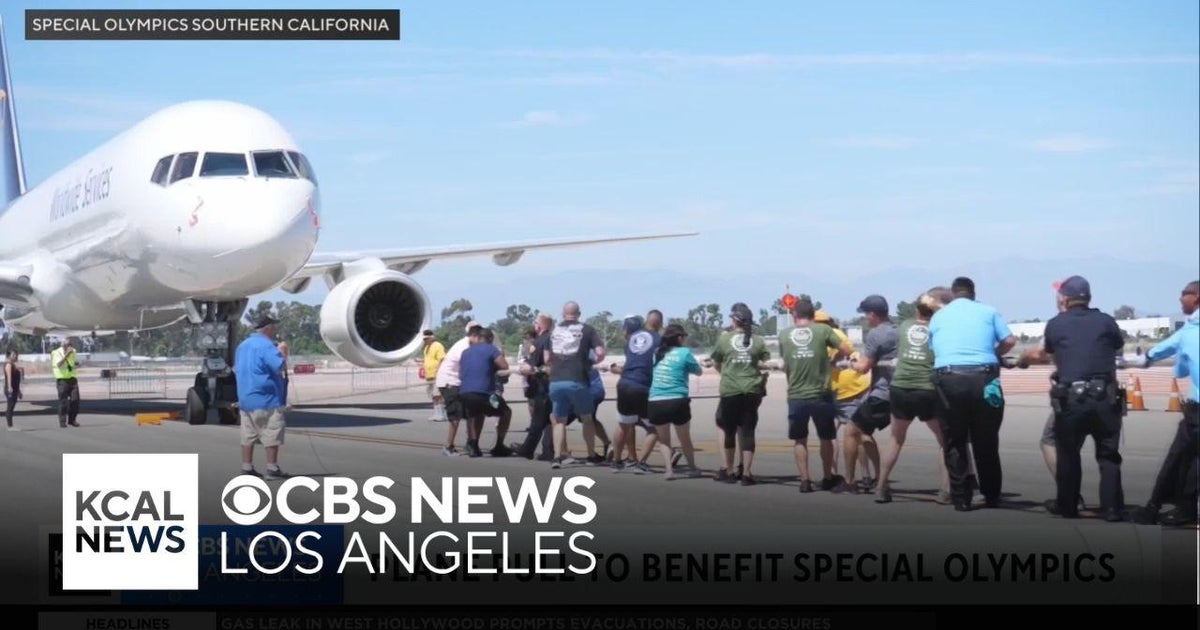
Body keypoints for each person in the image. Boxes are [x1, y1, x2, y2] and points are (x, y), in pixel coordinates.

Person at [1018, 276, 1125, 521]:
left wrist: (1024, 359)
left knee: (1068, 454)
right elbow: (1116, 347)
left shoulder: (1056, 324)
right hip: (1105, 399)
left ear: (1064, 299)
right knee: (1108, 456)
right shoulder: (1107, 321)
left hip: (1072, 400)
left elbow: (1046, 353)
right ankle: (1112, 508)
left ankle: (1068, 506)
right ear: (1088, 298)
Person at [928, 276, 1017, 511]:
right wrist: (995, 352)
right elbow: (1009, 340)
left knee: (955, 441)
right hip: (985, 379)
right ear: (973, 293)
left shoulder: (938, 316)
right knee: (986, 441)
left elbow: (933, 348)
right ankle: (991, 495)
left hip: (949, 380)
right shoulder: (988, 311)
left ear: (954, 294)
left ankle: (960, 498)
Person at [876, 288, 957, 503]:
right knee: (944, 441)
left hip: (901, 386)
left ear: (917, 309)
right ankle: (945, 490)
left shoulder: (904, 326)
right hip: (926, 388)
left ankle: (881, 485)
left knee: (895, 438)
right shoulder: (938, 328)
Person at [1131, 280, 1199, 526]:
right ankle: (1185, 507)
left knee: (1180, 457)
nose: (1180, 300)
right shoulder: (1190, 328)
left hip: (1197, 410)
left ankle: (1156, 506)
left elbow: (1178, 367)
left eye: (1185, 295)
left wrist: (1147, 357)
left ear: (1197, 298)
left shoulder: (1192, 330)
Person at [780, 298, 854, 492]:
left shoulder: (785, 334)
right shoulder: (823, 330)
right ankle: (828, 476)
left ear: (795, 316)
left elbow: (786, 363)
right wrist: (833, 359)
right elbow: (847, 349)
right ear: (813, 316)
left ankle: (805, 480)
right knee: (826, 437)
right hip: (821, 393)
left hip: (796, 393)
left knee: (799, 439)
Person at [836, 295, 898, 495]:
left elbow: (862, 367)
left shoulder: (876, 334)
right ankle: (880, 478)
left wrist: (850, 363)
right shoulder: (899, 331)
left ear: (872, 314)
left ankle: (850, 481)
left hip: (883, 393)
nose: (865, 318)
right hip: (900, 390)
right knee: (863, 432)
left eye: (866, 314)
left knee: (851, 431)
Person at [709, 303, 770, 485]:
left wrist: (728, 373)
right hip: (751, 389)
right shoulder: (758, 340)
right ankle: (747, 472)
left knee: (729, 431)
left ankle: (728, 470)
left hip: (731, 389)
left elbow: (716, 362)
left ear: (735, 320)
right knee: (748, 431)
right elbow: (766, 361)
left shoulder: (724, 339)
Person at [546, 302, 606, 468]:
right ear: (578, 314)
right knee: (587, 418)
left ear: (563, 314)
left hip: (556, 381)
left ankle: (557, 457)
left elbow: (546, 359)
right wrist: (592, 362)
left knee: (559, 420)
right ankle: (591, 455)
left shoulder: (554, 332)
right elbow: (600, 352)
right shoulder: (587, 330)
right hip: (577, 380)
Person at [234, 312, 289, 478]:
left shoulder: (242, 346)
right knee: (272, 433)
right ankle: (272, 467)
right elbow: (280, 366)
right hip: (267, 399)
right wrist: (283, 352)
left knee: (248, 435)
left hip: (245, 398)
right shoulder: (267, 346)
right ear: (268, 329)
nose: (274, 332)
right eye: (273, 328)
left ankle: (247, 466)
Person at [647, 324, 703, 479]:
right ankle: (692, 467)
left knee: (664, 440)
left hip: (656, 400)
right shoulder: (684, 352)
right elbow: (698, 372)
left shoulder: (657, 353)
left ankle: (669, 470)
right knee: (684, 438)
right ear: (679, 338)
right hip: (677, 399)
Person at [821, 311, 869, 489]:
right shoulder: (839, 334)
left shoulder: (827, 337)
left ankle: (836, 475)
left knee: (843, 433)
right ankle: (866, 474)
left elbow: (825, 361)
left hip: (844, 389)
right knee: (858, 432)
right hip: (854, 385)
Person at [611, 315, 659, 472]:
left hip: (624, 384)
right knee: (654, 427)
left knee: (623, 424)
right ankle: (641, 463)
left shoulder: (630, 342)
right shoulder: (659, 340)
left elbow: (633, 364)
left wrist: (618, 370)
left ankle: (616, 462)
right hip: (642, 386)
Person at [458, 328, 513, 458]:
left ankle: (473, 445)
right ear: (490, 339)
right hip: (486, 394)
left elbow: (460, 374)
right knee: (506, 412)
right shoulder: (491, 349)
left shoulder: (465, 352)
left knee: (475, 414)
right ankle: (499, 444)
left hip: (465, 393)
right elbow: (504, 366)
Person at [435, 321, 481, 457]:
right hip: (449, 382)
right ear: (472, 335)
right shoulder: (463, 348)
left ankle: (471, 443)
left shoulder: (471, 346)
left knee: (468, 413)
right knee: (455, 416)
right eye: (479, 338)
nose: (480, 341)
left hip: (457, 382)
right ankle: (448, 447)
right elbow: (467, 369)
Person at [50, 337, 80, 428]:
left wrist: (76, 364)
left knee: (75, 400)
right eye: (68, 345)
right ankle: (62, 421)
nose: (70, 347)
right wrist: (67, 354)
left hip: (72, 378)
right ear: (63, 345)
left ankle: (72, 420)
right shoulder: (56, 352)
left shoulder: (73, 352)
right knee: (63, 402)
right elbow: (59, 364)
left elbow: (74, 363)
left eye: (71, 344)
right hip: (62, 379)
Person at [421, 330, 448, 421]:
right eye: (424, 339)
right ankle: (436, 413)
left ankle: (441, 414)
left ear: (431, 338)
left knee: (438, 395)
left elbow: (442, 359)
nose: (425, 341)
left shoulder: (438, 346)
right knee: (432, 395)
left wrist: (439, 371)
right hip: (429, 376)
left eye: (426, 339)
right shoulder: (426, 348)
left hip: (437, 375)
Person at [4, 349, 22, 431]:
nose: (15, 356)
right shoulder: (9, 365)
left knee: (11, 407)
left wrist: (19, 391)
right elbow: (9, 377)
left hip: (14, 389)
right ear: (9, 356)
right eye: (13, 354)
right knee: (10, 407)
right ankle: (10, 426)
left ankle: (10, 425)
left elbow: (16, 380)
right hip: (10, 389)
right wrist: (10, 387)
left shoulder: (13, 365)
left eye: (16, 354)